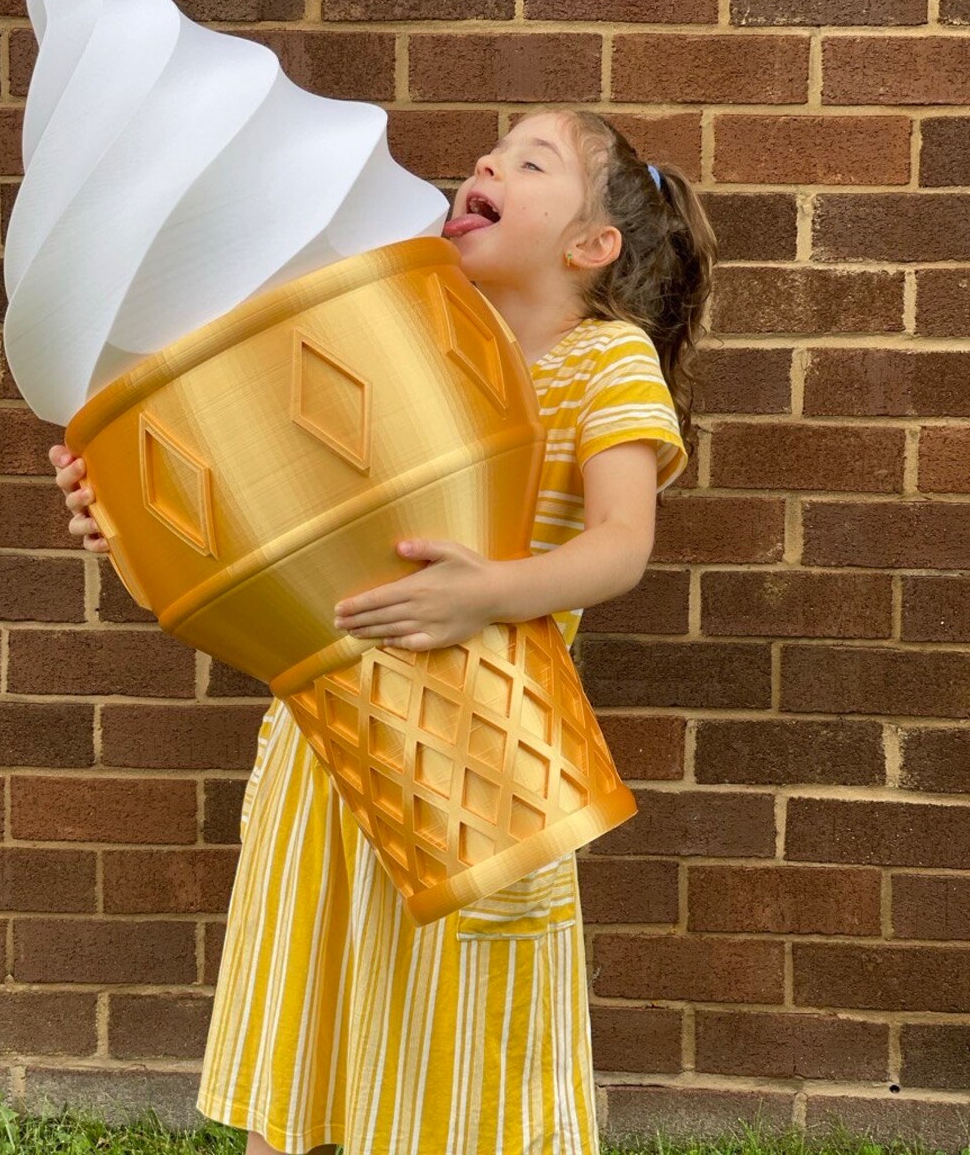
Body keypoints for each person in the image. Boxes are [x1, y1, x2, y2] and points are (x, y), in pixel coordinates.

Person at [50, 105, 717, 1155]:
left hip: (487, 761)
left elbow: (622, 545)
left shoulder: (607, 363)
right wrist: (126, 501)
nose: (485, 163)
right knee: (313, 1038)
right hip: (322, 747)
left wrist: (486, 593)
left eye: (529, 160)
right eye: (488, 153)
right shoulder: (397, 330)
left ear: (594, 245)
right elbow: (252, 486)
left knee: (466, 1061)